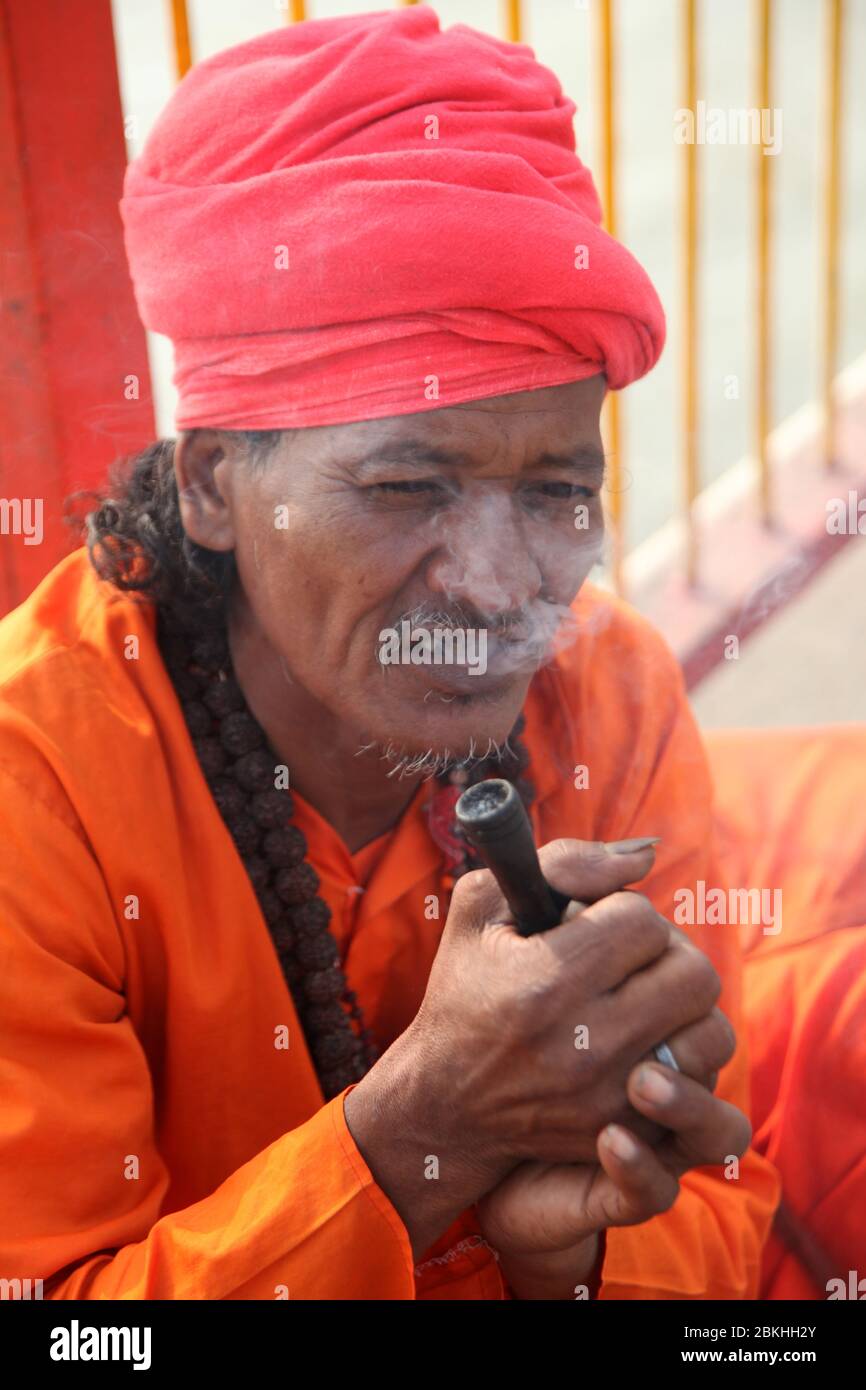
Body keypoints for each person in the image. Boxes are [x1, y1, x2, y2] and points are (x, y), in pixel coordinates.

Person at [0, 8, 778, 1300]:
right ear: (211, 486)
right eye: (409, 486)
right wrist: (426, 1135)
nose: (495, 584)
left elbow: (713, 1207)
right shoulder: (40, 784)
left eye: (553, 492)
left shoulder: (612, 695)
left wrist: (565, 1250)